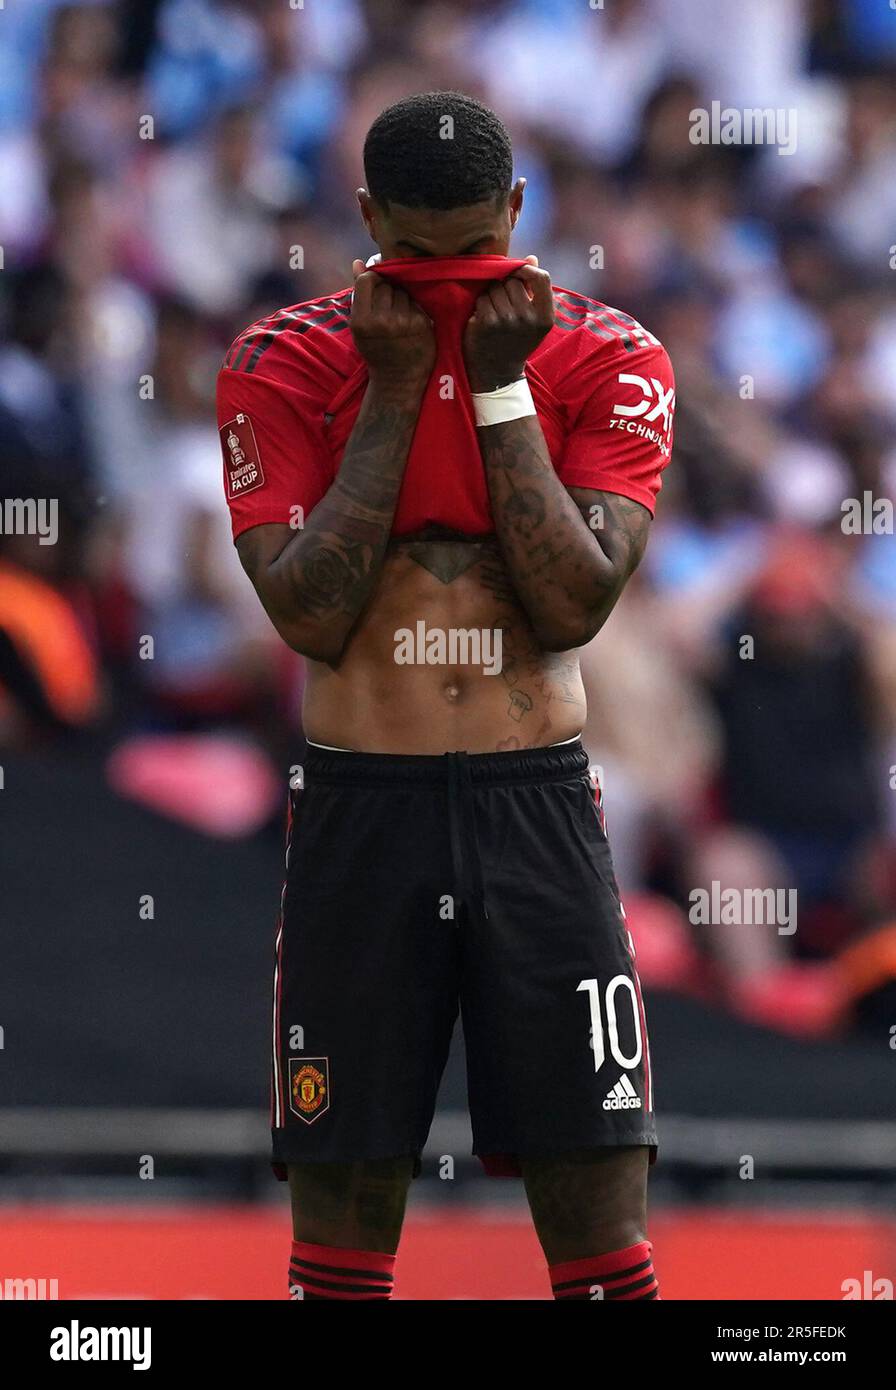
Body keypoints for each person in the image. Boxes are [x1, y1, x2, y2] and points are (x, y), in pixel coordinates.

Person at [217, 91, 674, 1302]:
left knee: (599, 1209)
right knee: (341, 1220)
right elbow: (308, 616)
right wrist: (392, 386)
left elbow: (572, 605)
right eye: (416, 259)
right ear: (367, 219)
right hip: (363, 812)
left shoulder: (611, 355)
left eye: (472, 251)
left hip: (536, 812)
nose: (445, 287)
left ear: (516, 211)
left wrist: (496, 386)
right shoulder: (280, 359)